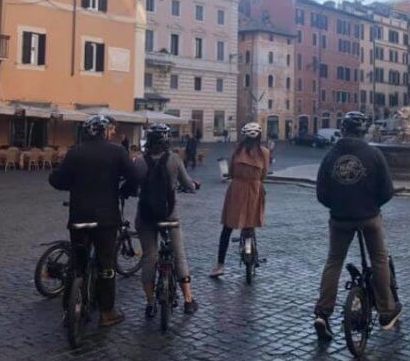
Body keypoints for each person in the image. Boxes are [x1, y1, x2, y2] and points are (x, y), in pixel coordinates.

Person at [313, 111, 402, 342]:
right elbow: (387, 190)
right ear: (363, 133)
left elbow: (321, 193)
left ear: (343, 131)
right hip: (369, 216)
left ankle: (322, 313)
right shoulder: (374, 154)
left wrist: (337, 206)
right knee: (379, 260)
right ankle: (386, 311)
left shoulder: (331, 156)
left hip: (340, 218)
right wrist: (372, 205)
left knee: (334, 261)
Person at [49, 115, 138, 328]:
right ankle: (107, 312)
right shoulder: (117, 151)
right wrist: (124, 191)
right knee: (106, 263)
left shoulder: (75, 152)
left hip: (79, 216)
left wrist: (71, 184)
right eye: (111, 130)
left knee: (77, 262)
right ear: (105, 132)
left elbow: (58, 180)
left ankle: (68, 309)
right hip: (106, 218)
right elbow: (134, 176)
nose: (113, 133)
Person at [133, 124, 201, 316]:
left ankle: (150, 302)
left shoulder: (140, 161)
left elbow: (132, 185)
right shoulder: (174, 159)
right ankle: (188, 300)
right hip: (169, 216)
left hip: (146, 217)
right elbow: (188, 184)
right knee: (179, 254)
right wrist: (194, 186)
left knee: (150, 257)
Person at [209, 122, 270, 277]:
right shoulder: (264, 152)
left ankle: (220, 265)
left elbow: (230, 171)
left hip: (237, 189)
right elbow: (264, 174)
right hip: (255, 189)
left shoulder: (237, 150)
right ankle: (250, 252)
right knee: (249, 225)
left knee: (227, 228)